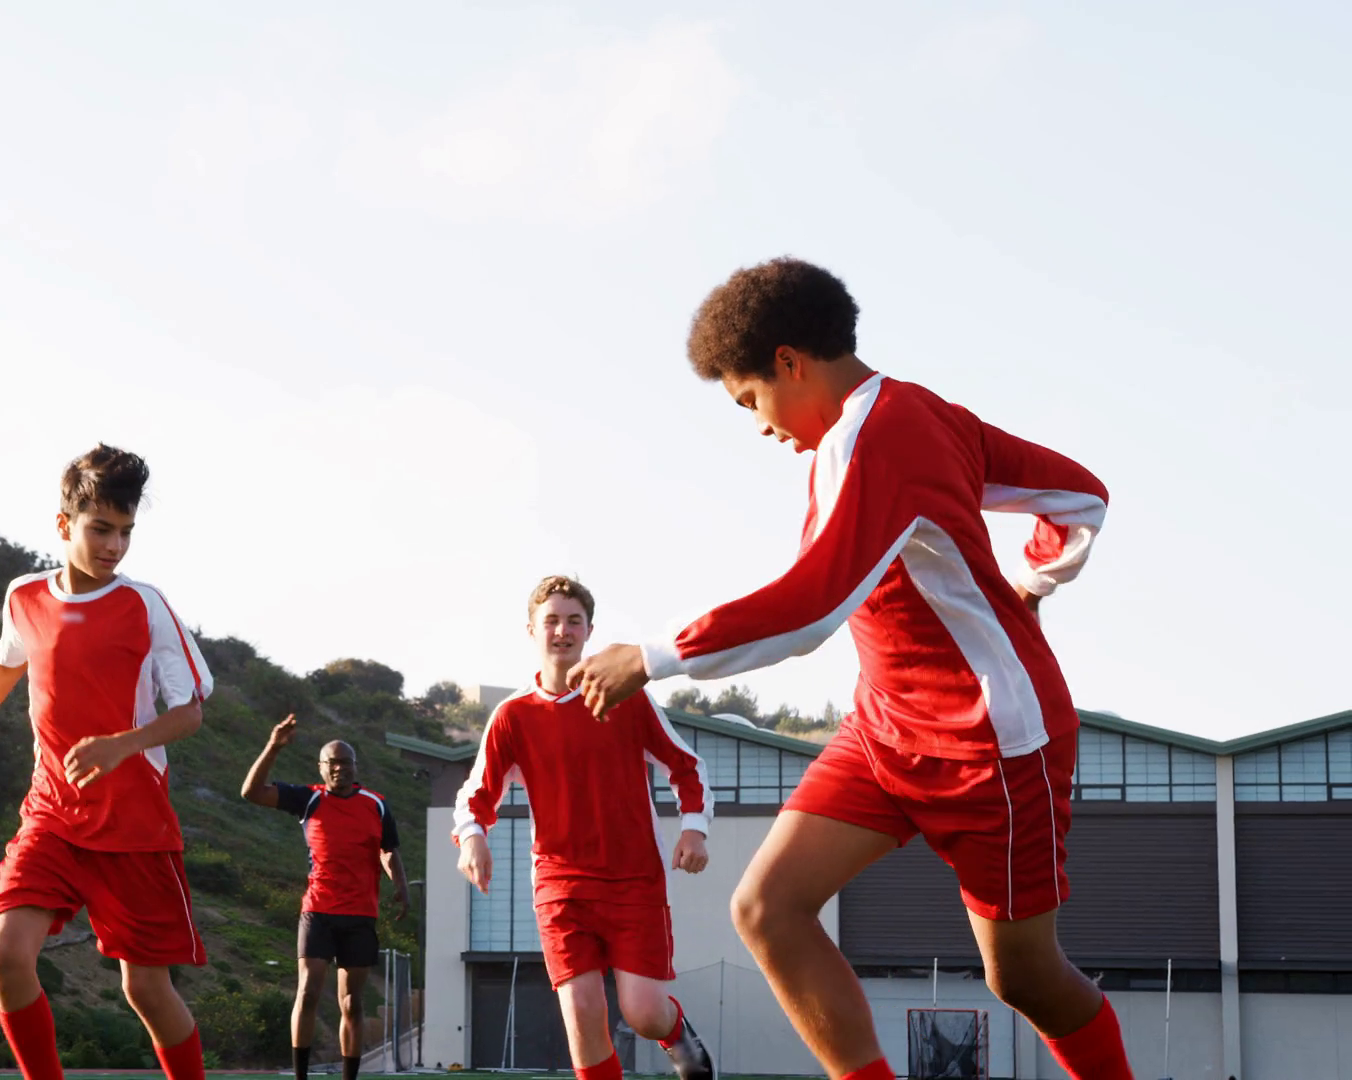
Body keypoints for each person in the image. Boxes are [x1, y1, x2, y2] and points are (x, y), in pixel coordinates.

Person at [568, 257, 1129, 1080]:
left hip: (995, 751)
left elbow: (810, 605)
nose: (758, 425)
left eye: (750, 399)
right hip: (885, 733)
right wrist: (1033, 579)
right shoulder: (912, 415)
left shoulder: (883, 434)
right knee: (767, 908)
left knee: (1026, 980)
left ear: (791, 363)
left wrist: (652, 656)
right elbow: (1079, 499)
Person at [0, 444, 214, 1080]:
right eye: (100, 529)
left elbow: (190, 711)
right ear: (65, 525)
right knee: (4, 950)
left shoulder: (146, 605)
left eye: (126, 532)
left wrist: (121, 744)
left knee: (145, 991)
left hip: (135, 826)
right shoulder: (25, 596)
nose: (115, 546)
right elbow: (6, 666)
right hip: (52, 815)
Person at [454, 575, 719, 1080]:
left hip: (634, 880)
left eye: (573, 620)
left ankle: (676, 1032)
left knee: (642, 1012)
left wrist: (693, 829)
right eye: (550, 620)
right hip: (560, 884)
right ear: (531, 631)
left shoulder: (623, 697)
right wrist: (472, 837)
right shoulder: (511, 716)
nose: (562, 630)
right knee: (582, 1017)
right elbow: (476, 792)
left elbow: (687, 766)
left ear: (588, 630)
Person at [242, 715, 410, 1080]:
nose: (339, 769)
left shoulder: (376, 804)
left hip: (360, 914)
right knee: (308, 990)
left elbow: (388, 850)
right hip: (318, 910)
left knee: (351, 1001)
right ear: (322, 768)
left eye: (345, 762)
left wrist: (400, 883)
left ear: (355, 767)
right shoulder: (308, 799)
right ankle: (301, 1076)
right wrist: (273, 746)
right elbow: (251, 792)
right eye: (331, 763)